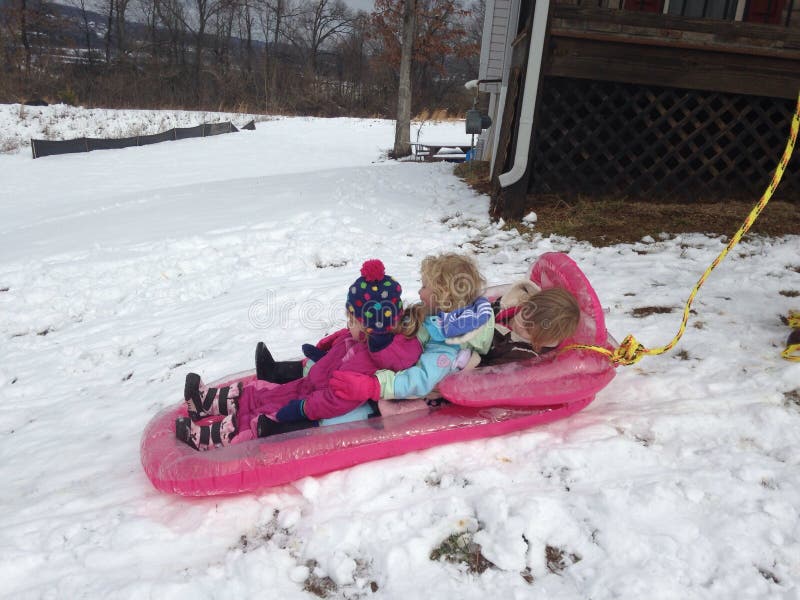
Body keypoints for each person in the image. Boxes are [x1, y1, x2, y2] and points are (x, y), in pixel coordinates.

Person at [175, 259, 423, 450]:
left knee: (262, 417)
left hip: (312, 402)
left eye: (352, 320)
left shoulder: (368, 361)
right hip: (309, 386)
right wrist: (321, 356)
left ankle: (207, 438)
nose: (348, 325)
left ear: (369, 325)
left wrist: (303, 408)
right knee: (260, 392)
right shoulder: (363, 339)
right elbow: (339, 354)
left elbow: (337, 400)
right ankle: (205, 402)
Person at [330, 253, 495, 407]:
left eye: (424, 286)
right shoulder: (433, 316)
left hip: (391, 382)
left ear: (443, 296)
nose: (419, 291)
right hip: (385, 354)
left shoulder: (448, 347)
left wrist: (373, 387)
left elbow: (421, 379)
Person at [480, 283, 581, 366]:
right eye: (524, 314)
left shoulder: (520, 353)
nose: (520, 325)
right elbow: (489, 306)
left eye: (528, 330)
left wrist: (471, 360)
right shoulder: (511, 303)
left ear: (540, 341)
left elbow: (489, 372)